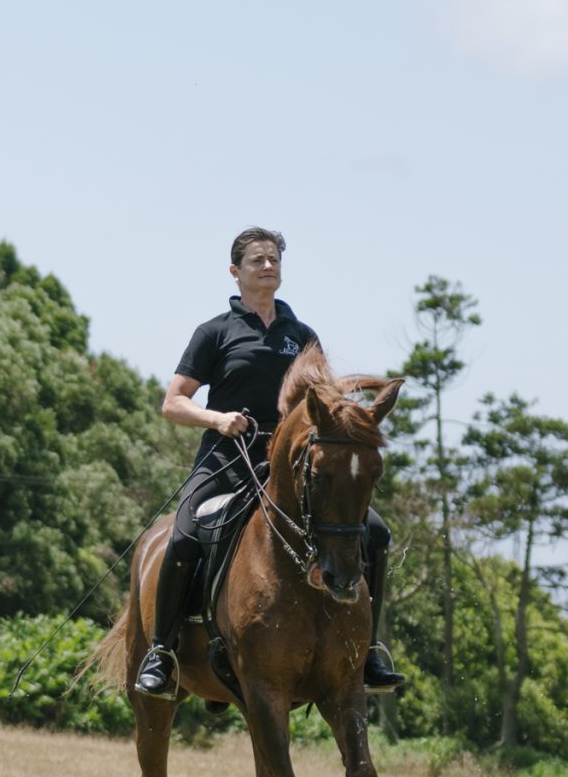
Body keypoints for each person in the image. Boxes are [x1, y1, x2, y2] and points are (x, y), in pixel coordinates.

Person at [136, 226, 406, 697]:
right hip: (227, 459)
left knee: (376, 531)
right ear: (235, 271)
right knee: (183, 534)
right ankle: (162, 651)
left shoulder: (301, 336)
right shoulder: (214, 333)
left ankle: (368, 650)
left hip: (294, 467)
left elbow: (324, 402)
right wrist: (218, 419)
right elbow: (172, 403)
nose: (267, 266)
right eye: (257, 259)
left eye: (274, 259)